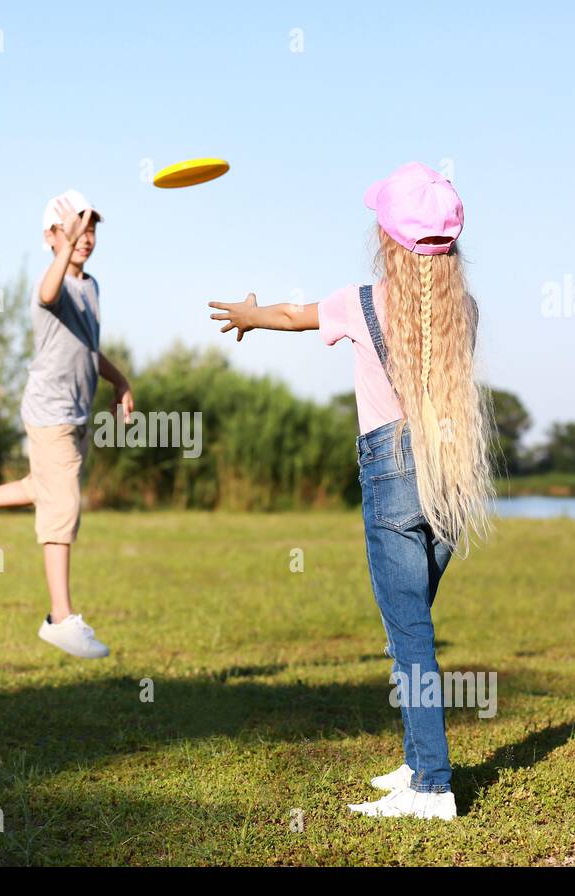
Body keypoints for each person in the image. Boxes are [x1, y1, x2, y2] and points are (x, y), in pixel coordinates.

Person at [207, 162, 494, 820]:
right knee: (408, 630)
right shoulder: (465, 311)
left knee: (410, 636)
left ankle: (433, 790)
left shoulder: (361, 301)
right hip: (449, 478)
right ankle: (420, 762)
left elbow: (292, 313)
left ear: (387, 238)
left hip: (392, 474)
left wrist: (252, 314)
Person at [0, 189, 134, 660]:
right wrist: (62, 251)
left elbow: (88, 347)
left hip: (76, 412)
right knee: (63, 504)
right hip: (51, 411)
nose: (85, 237)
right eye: (74, 228)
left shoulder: (91, 287)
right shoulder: (54, 285)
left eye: (91, 228)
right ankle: (59, 619)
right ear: (51, 236)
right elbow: (46, 292)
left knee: (40, 487)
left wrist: (119, 381)